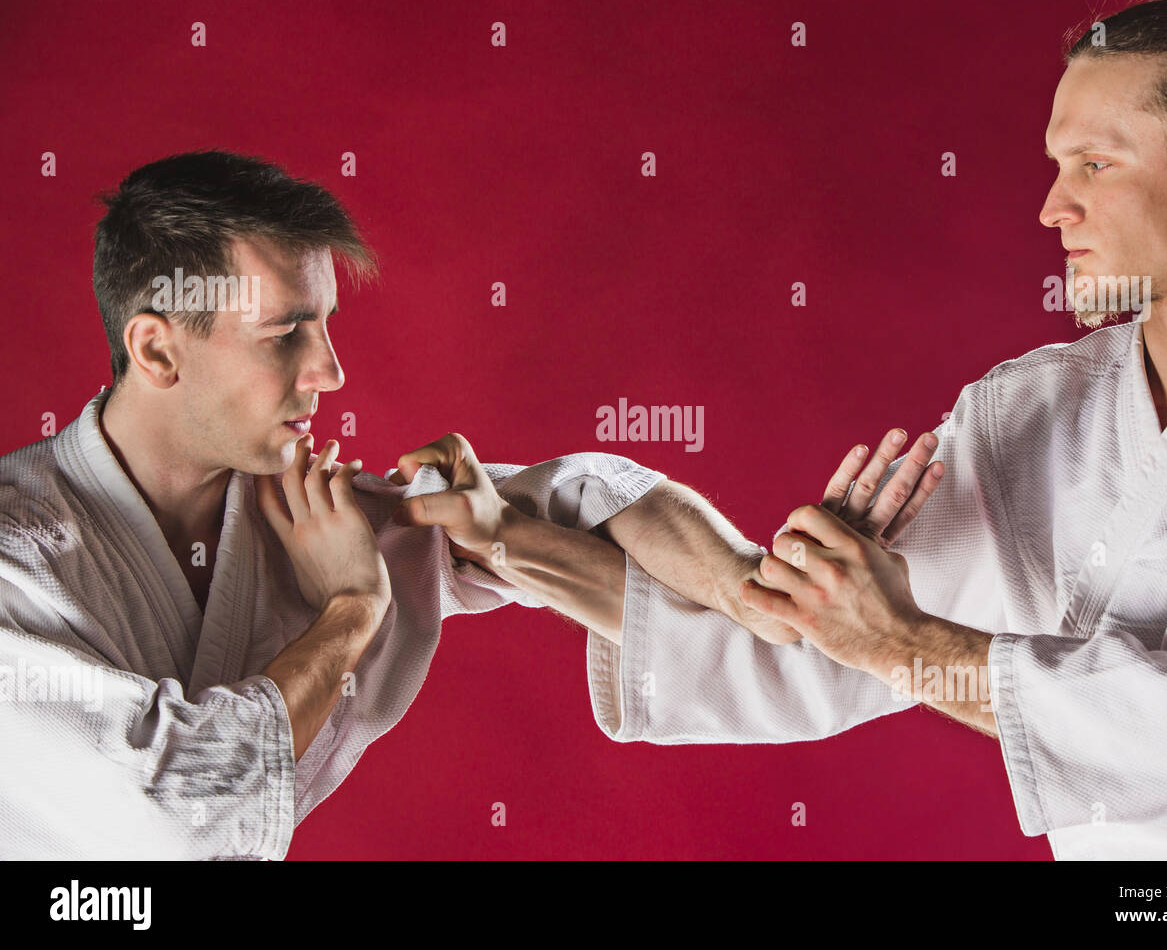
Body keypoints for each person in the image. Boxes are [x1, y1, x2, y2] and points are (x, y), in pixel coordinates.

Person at [0, 149, 940, 858]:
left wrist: (749, 584)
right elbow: (171, 812)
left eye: (326, 326)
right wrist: (351, 613)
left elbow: (583, 497)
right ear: (158, 351)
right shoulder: (17, 556)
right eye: (286, 333)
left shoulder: (309, 518)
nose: (330, 371)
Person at [580, 0, 1167, 860]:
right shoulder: (1030, 412)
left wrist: (894, 636)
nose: (1053, 209)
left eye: (1096, 165)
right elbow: (806, 649)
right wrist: (538, 517)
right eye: (1056, 167)